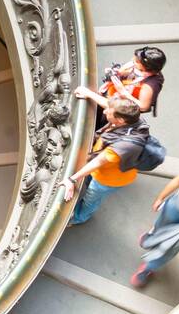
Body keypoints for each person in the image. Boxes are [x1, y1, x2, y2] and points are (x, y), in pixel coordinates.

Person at [63, 97, 153, 226]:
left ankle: (78, 218)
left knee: (91, 200)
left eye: (108, 112)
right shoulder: (134, 119)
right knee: (88, 185)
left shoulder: (122, 145)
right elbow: (111, 105)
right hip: (102, 171)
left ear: (120, 120)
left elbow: (98, 162)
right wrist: (87, 93)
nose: (105, 112)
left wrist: (72, 180)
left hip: (106, 180)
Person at [75, 46, 165, 129]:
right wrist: (118, 72)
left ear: (147, 68)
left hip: (120, 108)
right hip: (111, 95)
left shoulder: (150, 85)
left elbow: (143, 107)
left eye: (136, 61)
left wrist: (124, 93)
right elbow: (124, 72)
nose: (133, 61)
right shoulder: (137, 66)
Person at [132, 172, 179, 288]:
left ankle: (148, 239)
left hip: (178, 204)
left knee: (162, 225)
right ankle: (147, 267)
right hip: (178, 208)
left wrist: (160, 198)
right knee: (169, 248)